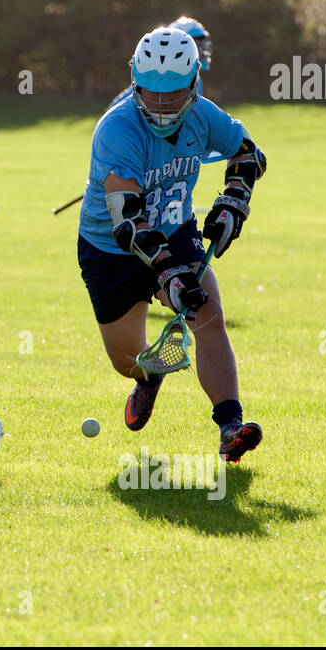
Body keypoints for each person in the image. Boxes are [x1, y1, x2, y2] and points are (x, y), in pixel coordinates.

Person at [77, 26, 266, 462]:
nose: (162, 104)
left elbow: (249, 155)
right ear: (134, 80)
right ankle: (148, 379)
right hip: (112, 249)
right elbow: (129, 226)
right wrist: (170, 275)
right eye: (151, 93)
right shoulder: (117, 129)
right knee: (127, 361)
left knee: (209, 316)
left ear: (194, 82)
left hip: (175, 230)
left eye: (174, 93)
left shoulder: (204, 114)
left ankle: (230, 428)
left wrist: (232, 202)